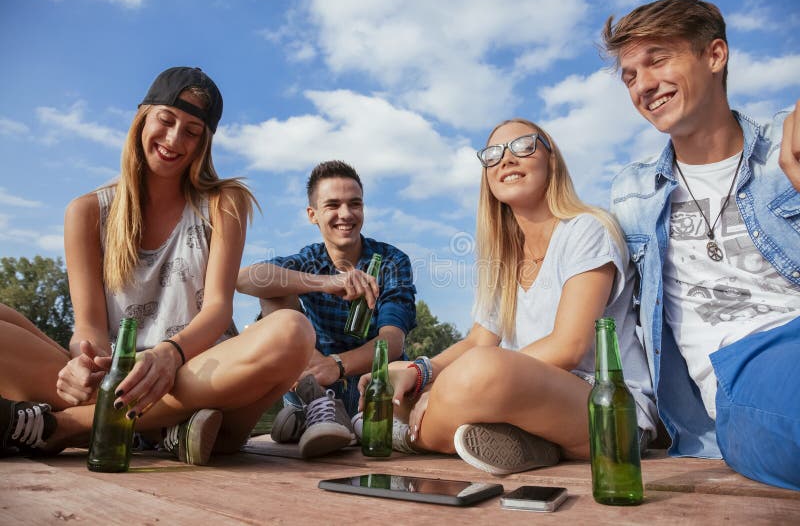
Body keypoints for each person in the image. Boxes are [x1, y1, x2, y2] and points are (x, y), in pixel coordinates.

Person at [0, 67, 315, 465]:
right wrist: (83, 361)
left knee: (293, 331)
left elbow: (218, 308)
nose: (173, 140)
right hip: (121, 382)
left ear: (204, 143)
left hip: (206, 376)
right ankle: (166, 429)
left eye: (191, 131)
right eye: (166, 121)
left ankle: (66, 427)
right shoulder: (85, 212)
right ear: (142, 118)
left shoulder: (223, 203)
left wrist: (170, 355)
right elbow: (90, 327)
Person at [358, 118, 657, 475]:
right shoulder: (502, 259)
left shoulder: (587, 229)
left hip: (605, 413)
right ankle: (530, 444)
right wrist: (420, 372)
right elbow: (476, 342)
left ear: (552, 161)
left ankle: (404, 437)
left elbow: (569, 346)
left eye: (524, 146)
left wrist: (441, 390)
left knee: (482, 369)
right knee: (397, 376)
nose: (507, 159)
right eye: (494, 154)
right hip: (530, 402)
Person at [602, 0, 800, 490]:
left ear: (715, 56)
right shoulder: (632, 192)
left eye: (658, 59)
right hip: (746, 366)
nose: (643, 85)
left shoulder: (785, 145)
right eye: (629, 75)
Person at [237, 161, 417, 421]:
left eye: (354, 204)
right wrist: (326, 283)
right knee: (274, 290)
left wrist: (335, 365)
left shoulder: (391, 261)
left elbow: (393, 341)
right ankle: (316, 411)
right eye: (333, 205)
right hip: (315, 385)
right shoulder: (309, 260)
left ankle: (309, 420)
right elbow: (245, 279)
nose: (345, 214)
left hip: (373, 385)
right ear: (313, 215)